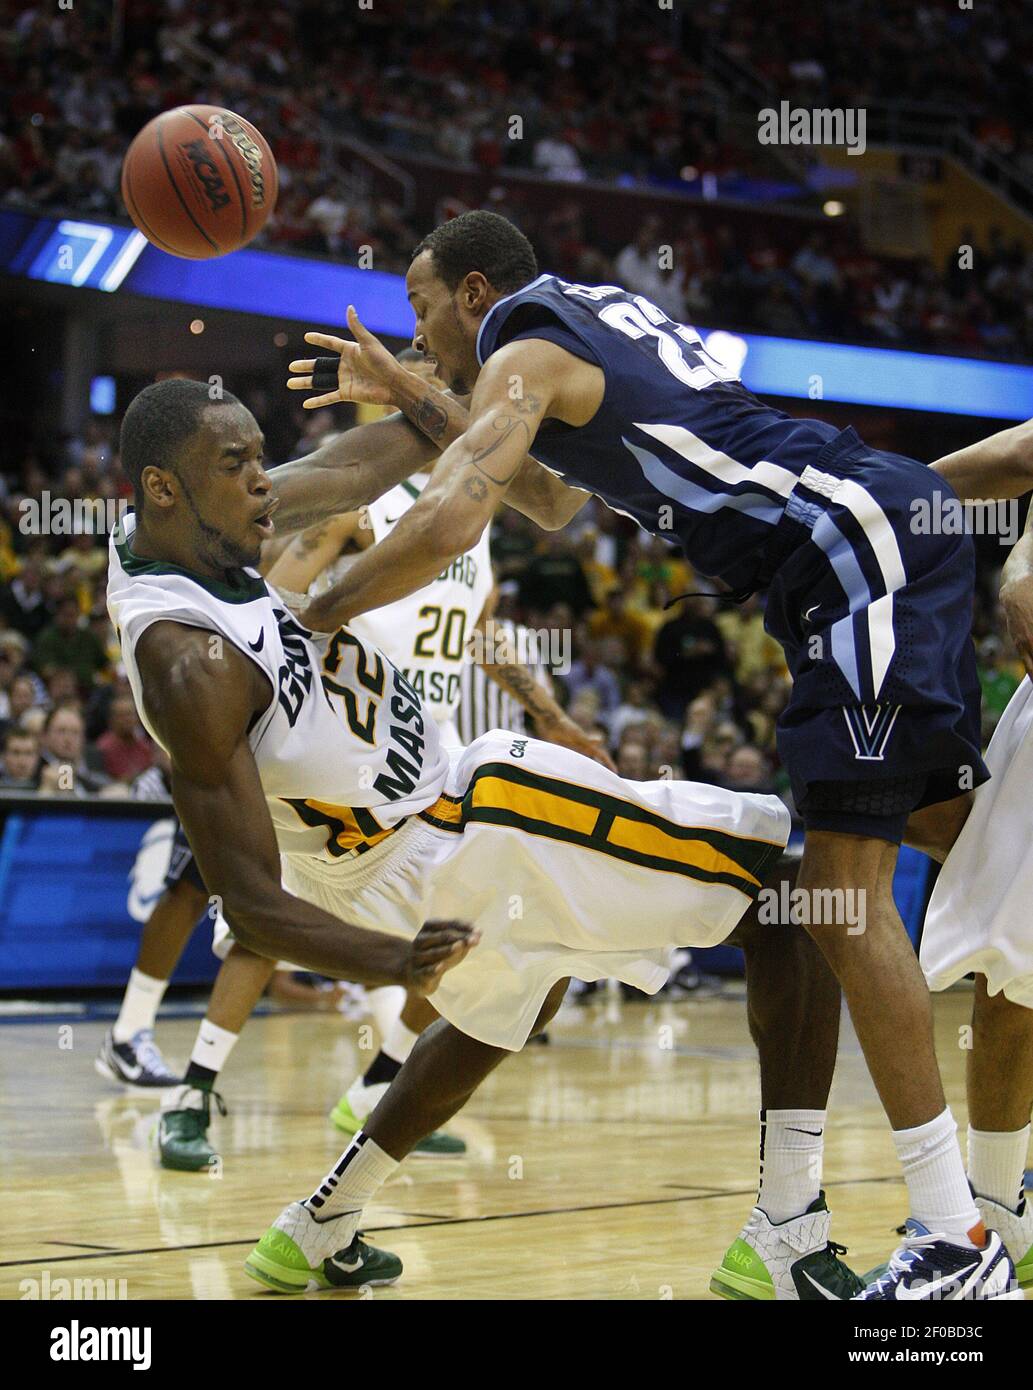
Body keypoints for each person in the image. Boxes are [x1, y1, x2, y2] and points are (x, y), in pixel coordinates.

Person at [284, 208, 1033, 1301]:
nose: (416, 331)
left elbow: (455, 519)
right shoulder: (582, 329)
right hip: (852, 544)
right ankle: (976, 1213)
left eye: (418, 305)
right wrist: (408, 391)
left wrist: (318, 610)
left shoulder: (523, 345)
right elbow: (545, 500)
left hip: (847, 552)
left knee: (833, 888)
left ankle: (952, 1235)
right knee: (944, 835)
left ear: (475, 292)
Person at [105, 377, 790, 1292]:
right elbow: (253, 911)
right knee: (785, 893)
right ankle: (791, 1222)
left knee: (529, 988)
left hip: (409, 828)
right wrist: (394, 964)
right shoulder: (187, 660)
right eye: (239, 466)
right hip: (453, 818)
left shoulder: (211, 526)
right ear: (162, 486)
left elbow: (363, 458)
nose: (264, 482)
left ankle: (319, 1223)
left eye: (260, 458)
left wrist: (411, 374)